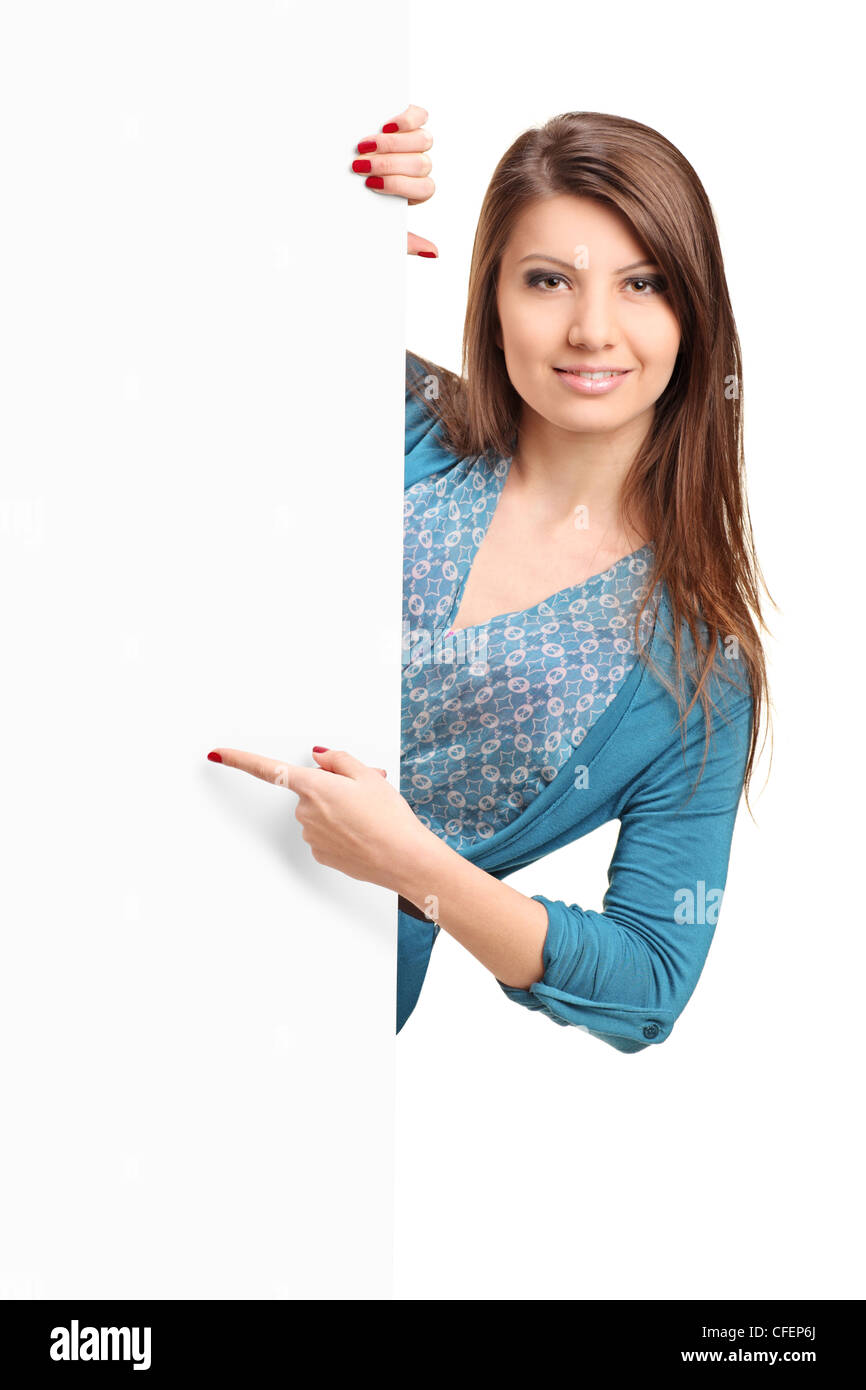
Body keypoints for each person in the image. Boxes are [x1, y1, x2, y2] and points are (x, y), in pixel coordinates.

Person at [209, 103, 773, 1055]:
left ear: (694, 316)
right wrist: (318, 210)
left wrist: (417, 869)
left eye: (642, 284)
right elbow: (142, 307)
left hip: (307, 1018)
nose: (593, 330)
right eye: (548, 280)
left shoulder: (695, 670)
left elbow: (649, 983)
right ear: (491, 295)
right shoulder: (390, 410)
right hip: (114, 862)